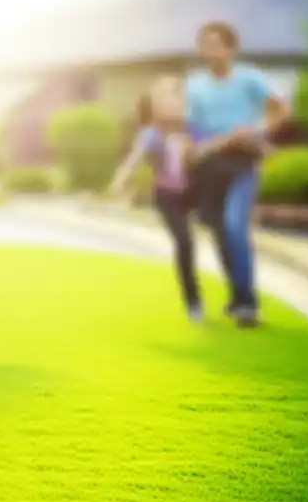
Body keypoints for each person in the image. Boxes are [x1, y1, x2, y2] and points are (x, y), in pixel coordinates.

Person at [185, 21, 291, 327]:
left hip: (243, 163)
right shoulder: (195, 86)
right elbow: (193, 131)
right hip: (210, 166)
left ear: (231, 48)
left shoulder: (249, 79)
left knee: (235, 226)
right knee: (219, 233)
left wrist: (258, 130)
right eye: (204, 44)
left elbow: (280, 110)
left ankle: (247, 305)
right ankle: (237, 295)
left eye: (216, 43)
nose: (209, 50)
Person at [109, 77, 202, 321]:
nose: (169, 102)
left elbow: (204, 156)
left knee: (209, 233)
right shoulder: (150, 134)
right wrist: (122, 177)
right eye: (162, 98)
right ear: (155, 106)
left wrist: (190, 151)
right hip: (167, 196)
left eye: (174, 96)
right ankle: (193, 301)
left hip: (195, 192)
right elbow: (135, 157)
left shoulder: (193, 128)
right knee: (185, 241)